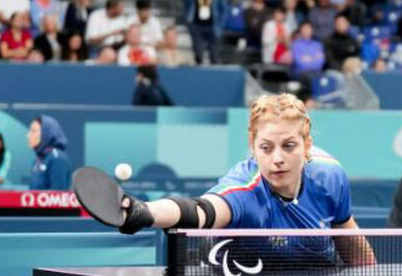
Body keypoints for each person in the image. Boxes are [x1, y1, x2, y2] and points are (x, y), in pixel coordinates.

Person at [89, 94, 373, 265]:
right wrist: (145, 212)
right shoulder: (244, 190)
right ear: (253, 145)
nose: (277, 158)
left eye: (289, 146)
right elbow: (202, 211)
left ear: (307, 146)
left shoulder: (330, 176)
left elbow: (347, 234)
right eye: (266, 147)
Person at [27, 115, 73, 190]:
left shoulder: (57, 159)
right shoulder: (37, 161)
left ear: (46, 133)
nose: (28, 135)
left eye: (33, 131)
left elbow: (58, 196)